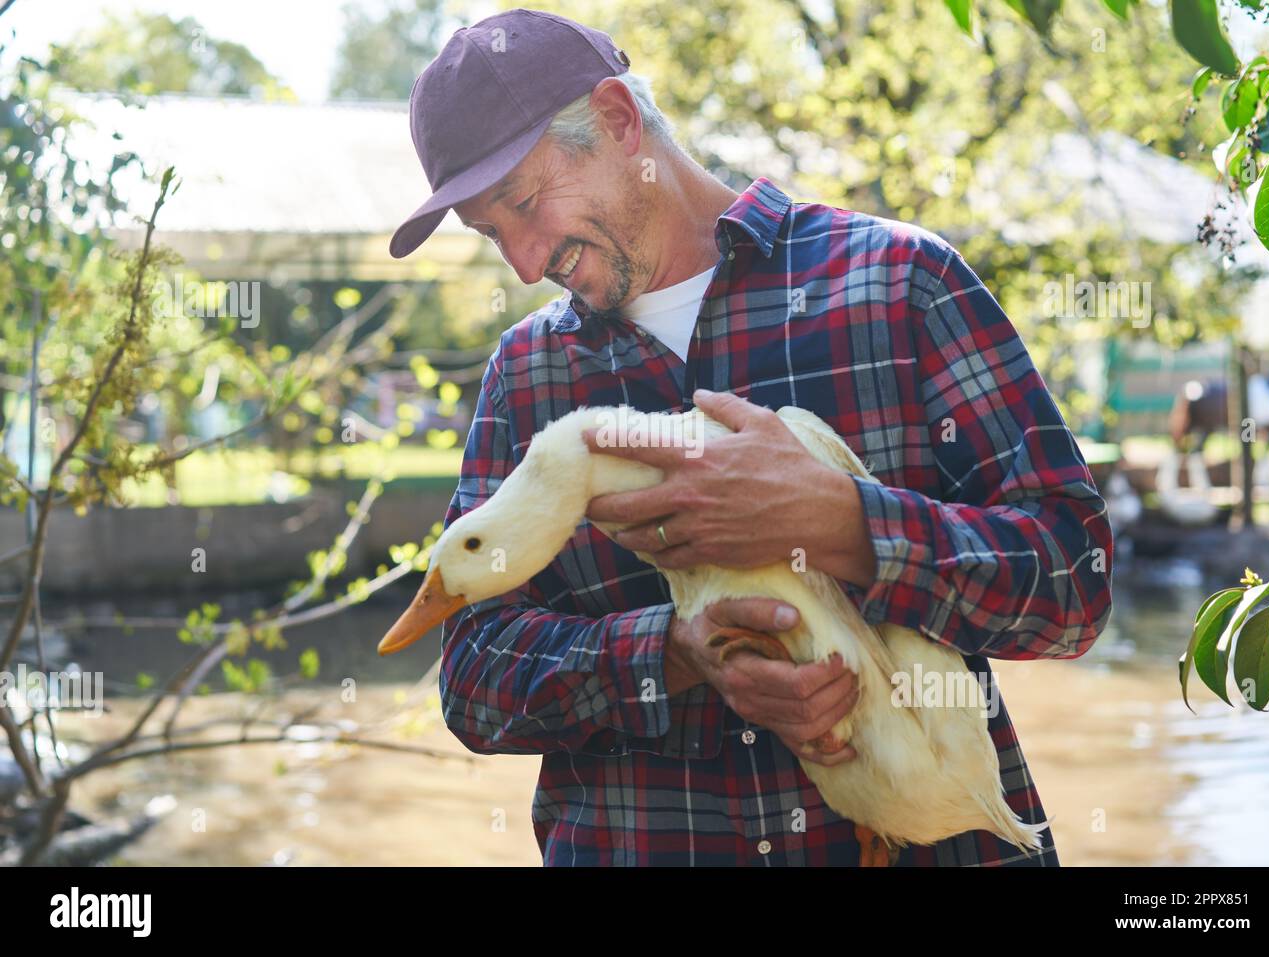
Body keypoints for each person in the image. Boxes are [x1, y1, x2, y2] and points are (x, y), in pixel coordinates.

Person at [388, 7, 1113, 866]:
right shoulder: (527, 375)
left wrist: (844, 523)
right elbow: (473, 680)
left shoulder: (900, 283)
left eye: (524, 203)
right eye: (490, 232)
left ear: (620, 120)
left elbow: (1075, 582)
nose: (520, 261)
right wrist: (675, 653)